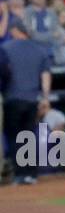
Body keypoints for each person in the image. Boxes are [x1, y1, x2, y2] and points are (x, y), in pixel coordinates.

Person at [0, 32, 51, 185]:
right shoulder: (39, 49)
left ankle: (19, 174)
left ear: (15, 31)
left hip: (12, 99)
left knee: (15, 138)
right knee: (29, 136)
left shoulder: (5, 47)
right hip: (32, 100)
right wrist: (45, 97)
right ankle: (31, 174)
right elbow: (45, 75)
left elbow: (4, 72)